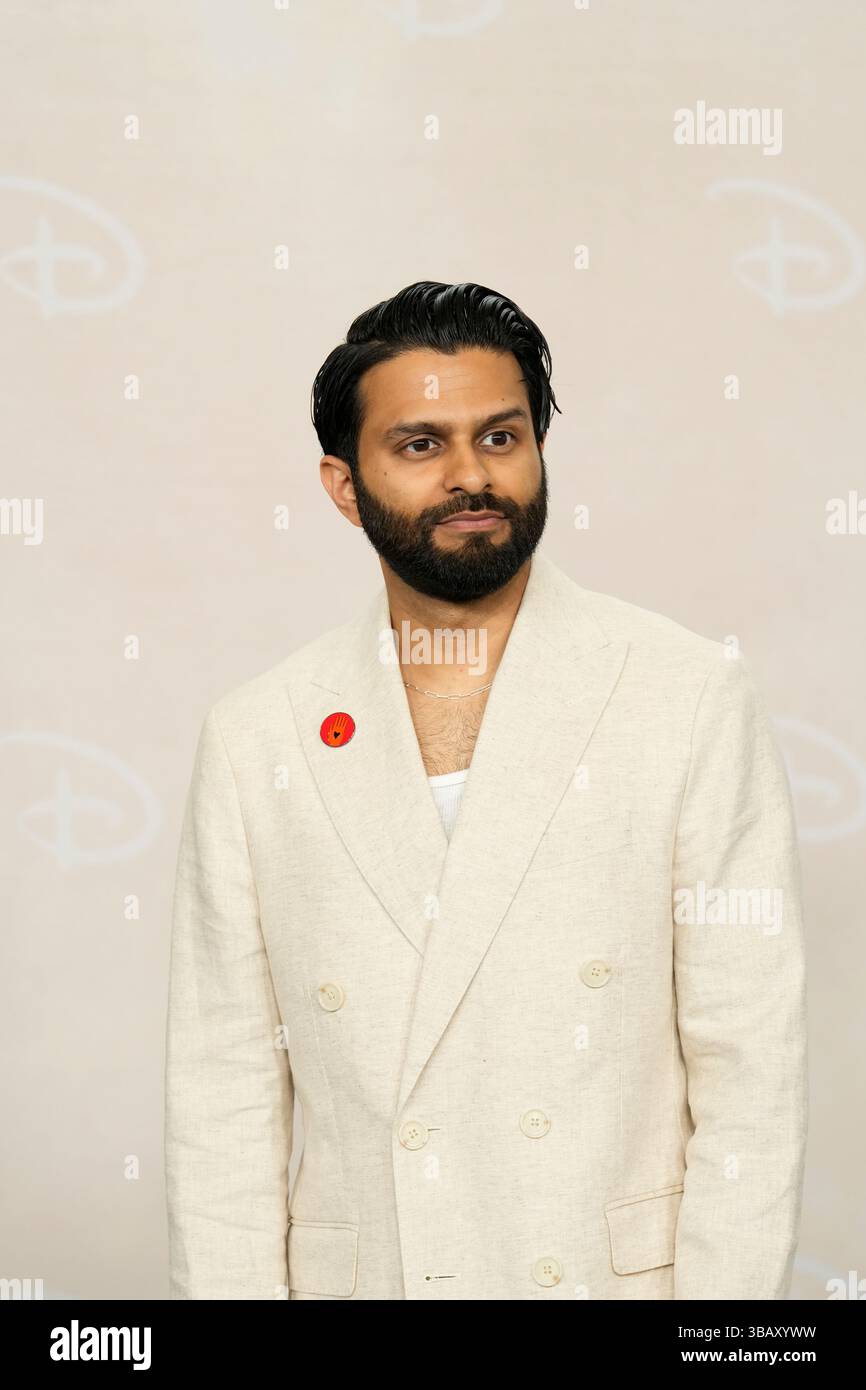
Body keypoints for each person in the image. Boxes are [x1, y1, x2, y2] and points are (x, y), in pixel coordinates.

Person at [164, 280, 808, 1300]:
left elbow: (750, 1077)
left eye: (500, 438)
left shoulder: (681, 696)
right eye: (420, 445)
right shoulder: (259, 739)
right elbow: (223, 1102)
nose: (471, 476)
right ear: (343, 483)